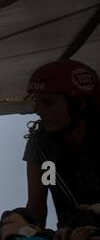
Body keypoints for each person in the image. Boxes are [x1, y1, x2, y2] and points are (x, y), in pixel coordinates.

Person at [20, 59, 100, 230]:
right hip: (74, 239)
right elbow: (37, 207)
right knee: (11, 222)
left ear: (79, 104)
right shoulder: (43, 148)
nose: (39, 111)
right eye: (37, 102)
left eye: (48, 102)